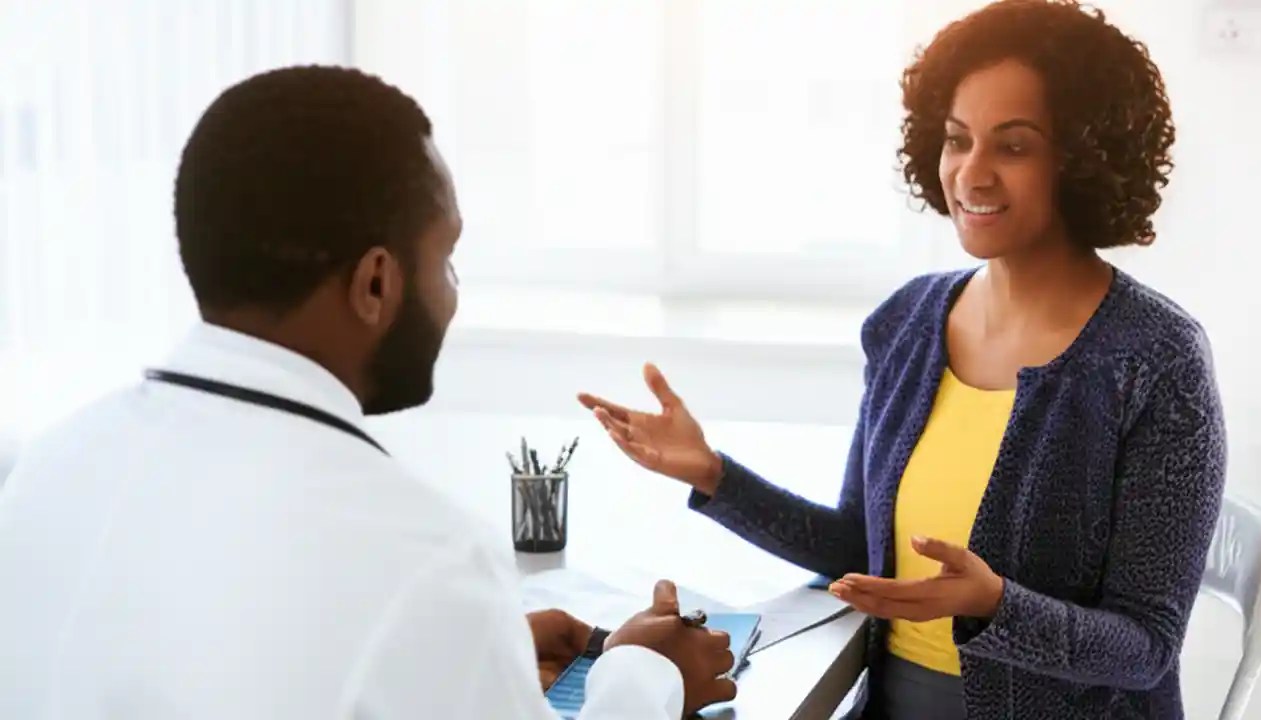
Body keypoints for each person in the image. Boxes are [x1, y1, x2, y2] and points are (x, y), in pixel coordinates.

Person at [0, 66, 738, 719]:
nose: (453, 293)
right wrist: (647, 675)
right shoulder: (426, 558)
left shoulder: (43, 474)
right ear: (376, 282)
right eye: (446, 257)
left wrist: (474, 651)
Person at [578, 1, 1227, 718]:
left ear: (1081, 158)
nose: (971, 175)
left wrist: (995, 607)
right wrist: (713, 474)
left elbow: (1146, 646)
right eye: (957, 140)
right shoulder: (910, 324)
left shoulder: (1156, 358)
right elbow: (859, 547)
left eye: (1013, 147)